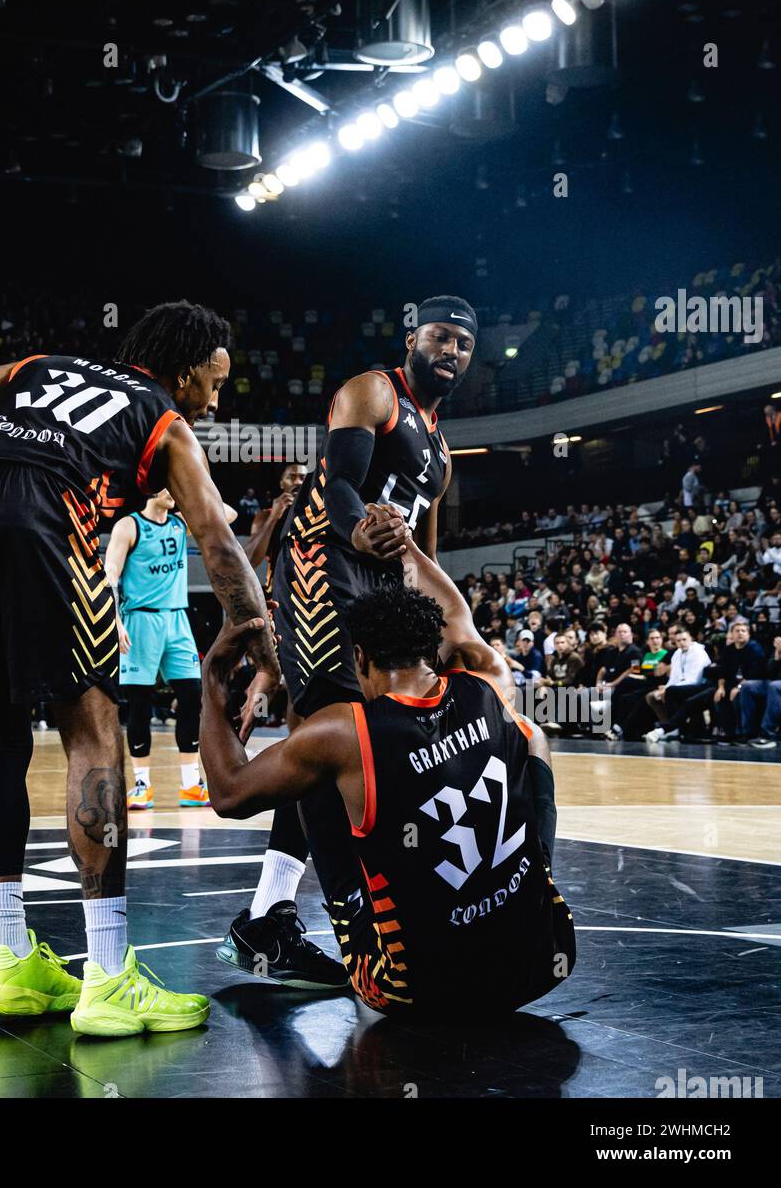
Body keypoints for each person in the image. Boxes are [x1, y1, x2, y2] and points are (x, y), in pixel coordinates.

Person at [0, 299, 279, 1040]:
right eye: (215, 383)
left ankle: (9, 963)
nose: (216, 398)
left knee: (1, 738)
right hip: (46, 516)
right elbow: (216, 543)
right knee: (95, 735)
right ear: (185, 371)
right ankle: (107, 976)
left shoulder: (43, 365)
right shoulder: (166, 421)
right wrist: (255, 632)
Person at [200, 532, 575, 1020]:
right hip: (543, 960)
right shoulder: (491, 680)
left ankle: (296, 924)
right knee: (532, 737)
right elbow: (458, 616)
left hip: (416, 992)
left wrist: (211, 682)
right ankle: (538, 879)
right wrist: (407, 546)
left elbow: (229, 794)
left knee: (318, 780)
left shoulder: (342, 732)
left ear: (358, 659)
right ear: (433, 647)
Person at [220, 295, 476, 989]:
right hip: (322, 556)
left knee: (371, 738)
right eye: (440, 336)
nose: (451, 350)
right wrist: (358, 527)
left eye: (463, 343)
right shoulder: (374, 390)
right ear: (411, 337)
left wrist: (446, 626)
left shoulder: (442, 453)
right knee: (337, 733)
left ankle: (268, 917)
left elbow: (423, 551)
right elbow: (337, 486)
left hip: (382, 581)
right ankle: (352, 930)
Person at [106, 486, 233, 809]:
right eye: (168, 485)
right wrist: (116, 622)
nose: (174, 490)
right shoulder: (129, 525)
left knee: (192, 697)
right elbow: (111, 576)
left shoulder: (180, 523)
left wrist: (195, 483)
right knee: (139, 704)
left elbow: (226, 514)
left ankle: (191, 784)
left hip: (177, 620)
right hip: (140, 621)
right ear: (149, 488)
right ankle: (141, 785)